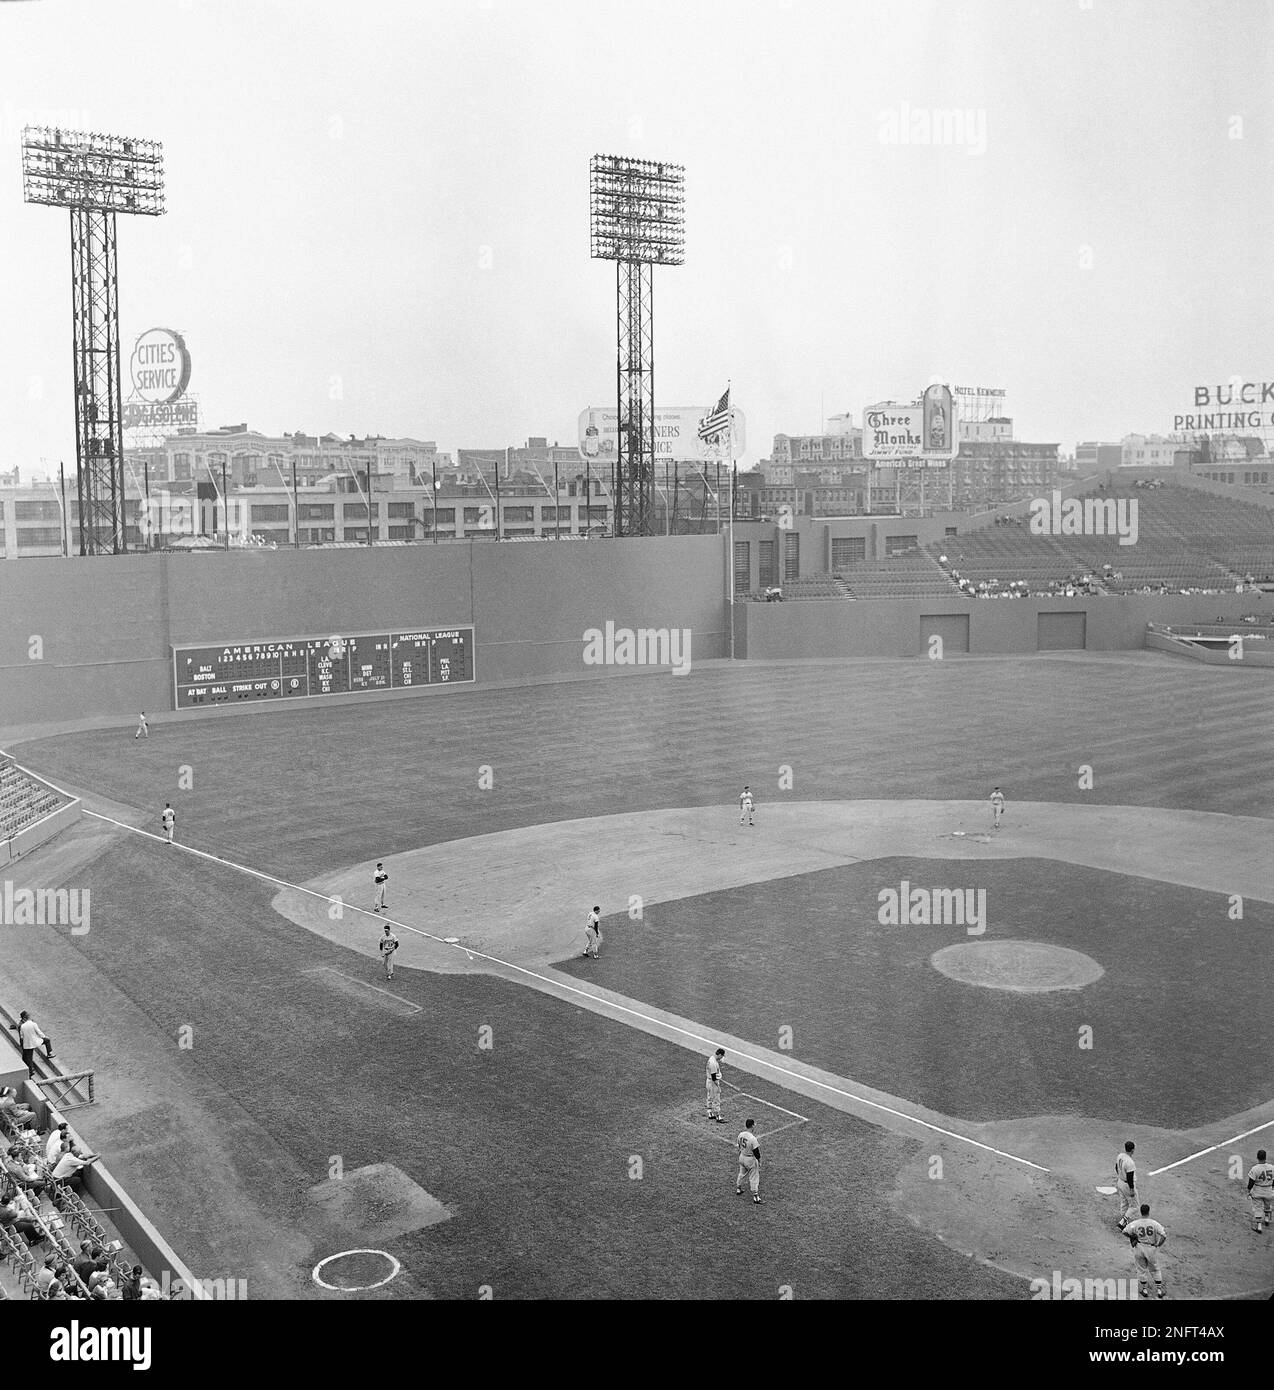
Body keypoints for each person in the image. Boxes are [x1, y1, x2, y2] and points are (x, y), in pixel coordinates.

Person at [1124, 1202, 1167, 1299]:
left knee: (1141, 1270)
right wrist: (1159, 1244)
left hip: (1139, 1248)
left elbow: (1125, 1231)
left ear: (1141, 1212)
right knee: (1155, 1269)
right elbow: (1164, 1235)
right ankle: (1159, 1291)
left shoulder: (1135, 1223)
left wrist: (1132, 1236)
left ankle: (1144, 1290)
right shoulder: (1154, 1223)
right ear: (1148, 1212)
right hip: (1151, 1249)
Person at [9, 1011, 53, 1077]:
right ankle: (30, 1070)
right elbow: (22, 1037)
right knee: (28, 1057)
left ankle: (30, 1069)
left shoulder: (23, 1024)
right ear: (25, 1018)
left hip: (28, 1043)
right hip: (28, 1042)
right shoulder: (22, 1025)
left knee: (27, 1056)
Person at [1246, 1148, 1274, 1233]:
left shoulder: (1255, 1169)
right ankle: (1266, 1219)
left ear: (1257, 1157)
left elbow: (1251, 1182)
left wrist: (1248, 1191)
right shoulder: (1272, 1167)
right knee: (1267, 1205)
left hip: (1258, 1191)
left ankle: (1259, 1226)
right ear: (1265, 1157)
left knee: (1258, 1208)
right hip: (1269, 1190)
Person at [736, 1118, 762, 1203]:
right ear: (752, 1126)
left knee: (742, 1173)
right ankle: (756, 1196)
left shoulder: (741, 1134)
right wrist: (759, 1161)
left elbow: (738, 1145)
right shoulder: (752, 1138)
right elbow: (756, 1152)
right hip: (750, 1159)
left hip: (742, 1156)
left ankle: (738, 1188)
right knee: (754, 1177)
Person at [1115, 1140, 1138, 1230]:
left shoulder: (1120, 1156)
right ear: (1132, 1150)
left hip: (1120, 1181)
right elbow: (1130, 1177)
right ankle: (1122, 1223)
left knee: (1124, 1202)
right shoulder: (1130, 1162)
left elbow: (1116, 1167)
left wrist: (1120, 1175)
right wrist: (1132, 1189)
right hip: (1126, 1184)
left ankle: (1123, 1219)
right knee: (1134, 1206)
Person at [706, 1048, 726, 1124]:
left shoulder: (711, 1058)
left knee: (710, 1097)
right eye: (722, 1056)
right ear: (719, 1054)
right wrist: (717, 1085)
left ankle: (710, 1113)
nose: (722, 1058)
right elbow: (714, 1077)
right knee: (716, 1098)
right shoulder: (713, 1063)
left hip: (709, 1081)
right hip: (712, 1082)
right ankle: (718, 1116)